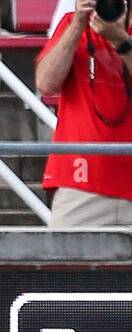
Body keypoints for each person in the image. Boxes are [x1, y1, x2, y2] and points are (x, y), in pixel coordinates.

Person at [36, 0, 132, 227]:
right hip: (80, 181)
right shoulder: (71, 24)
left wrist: (121, 42)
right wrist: (78, 24)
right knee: (69, 261)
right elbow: (46, 83)